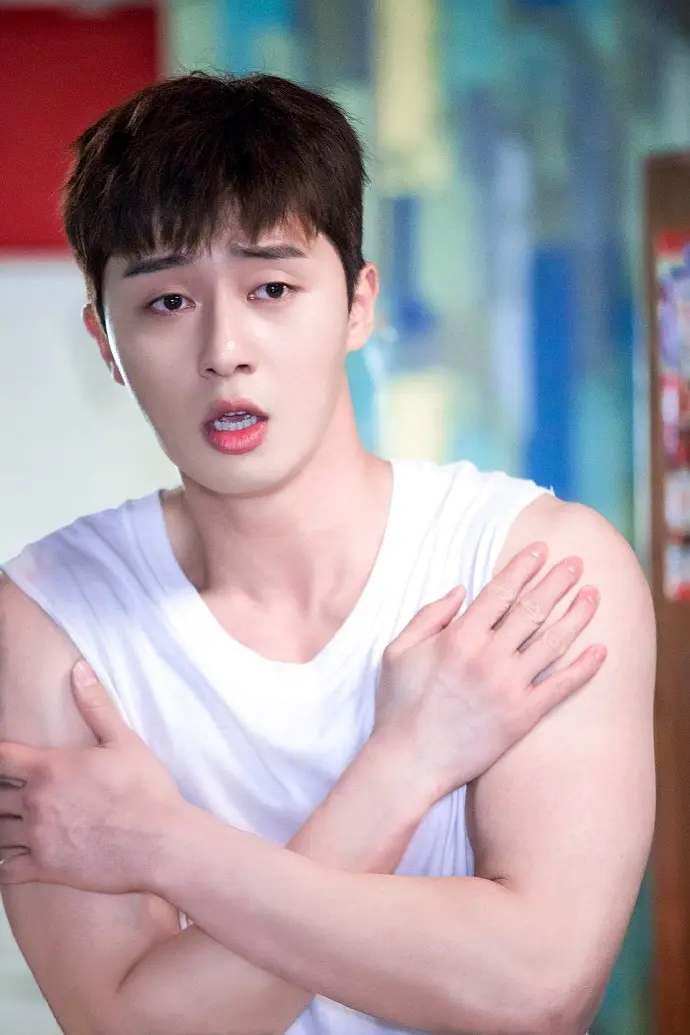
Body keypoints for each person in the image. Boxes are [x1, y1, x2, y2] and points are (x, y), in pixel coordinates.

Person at [0, 72, 654, 1035]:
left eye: (271, 288)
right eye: (167, 301)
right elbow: (124, 1026)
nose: (225, 349)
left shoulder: (531, 568)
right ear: (106, 341)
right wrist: (407, 763)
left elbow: (535, 992)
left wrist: (163, 845)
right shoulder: (48, 618)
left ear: (357, 303)